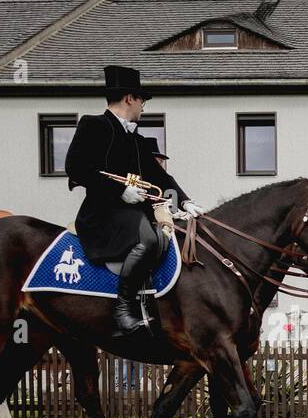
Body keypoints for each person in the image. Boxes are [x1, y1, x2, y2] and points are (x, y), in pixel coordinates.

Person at [64, 65, 204, 336]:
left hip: (131, 215)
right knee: (148, 240)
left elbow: (161, 179)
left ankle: (149, 303)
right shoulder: (93, 125)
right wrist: (119, 191)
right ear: (129, 98)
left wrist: (186, 202)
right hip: (102, 214)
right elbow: (76, 167)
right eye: (142, 100)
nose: (143, 107)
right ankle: (122, 311)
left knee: (164, 237)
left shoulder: (137, 140)